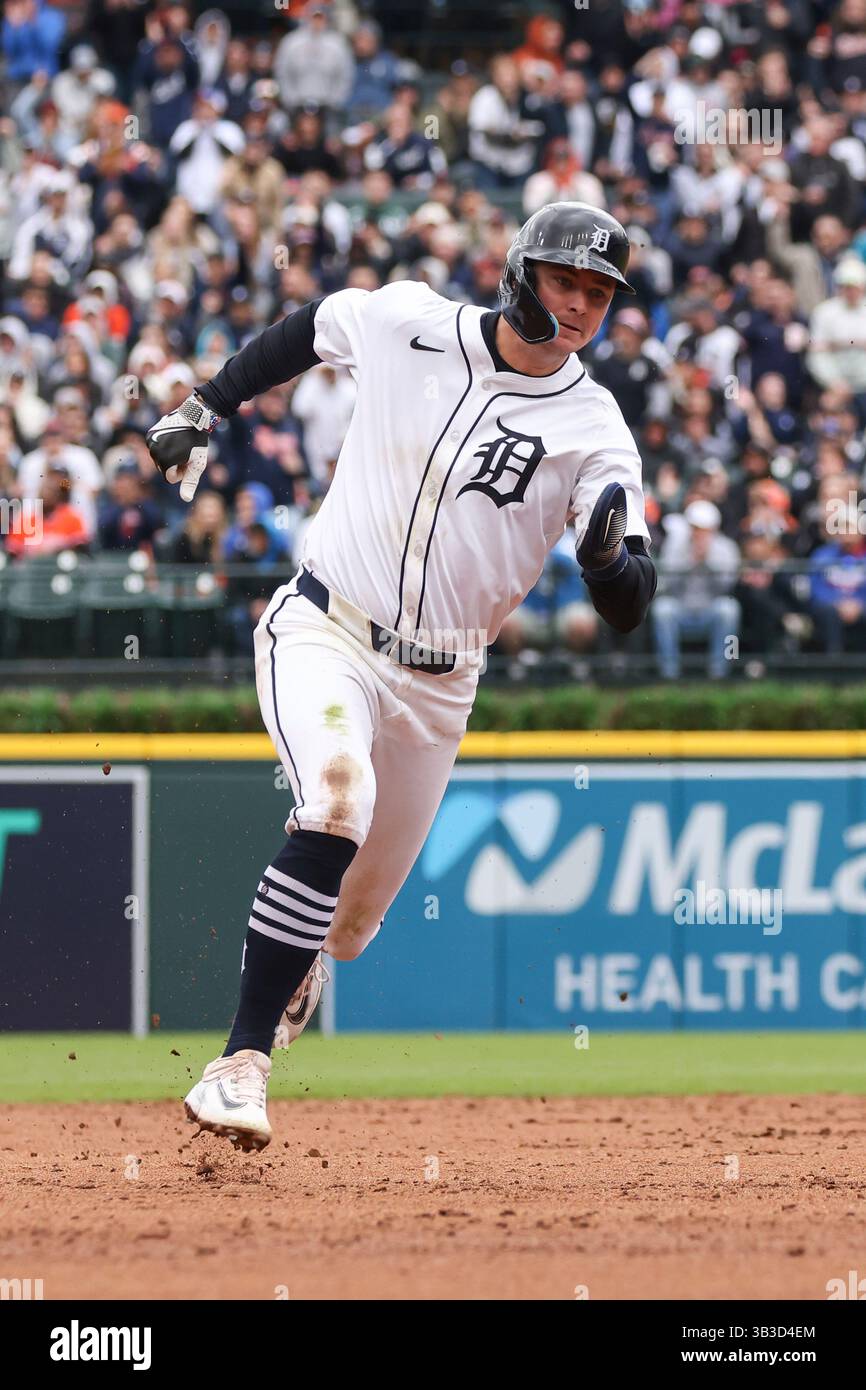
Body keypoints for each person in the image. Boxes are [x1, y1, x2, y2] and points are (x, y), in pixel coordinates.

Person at [146, 201, 657, 1150]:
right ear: (520, 275)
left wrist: (603, 561)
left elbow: (631, 595)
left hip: (440, 685)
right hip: (324, 625)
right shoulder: (408, 322)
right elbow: (306, 330)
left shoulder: (596, 427)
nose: (583, 306)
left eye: (599, 292)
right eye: (566, 282)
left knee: (349, 929)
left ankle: (302, 959)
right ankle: (239, 1065)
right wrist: (203, 407)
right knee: (336, 801)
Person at [652, 499, 741, 680]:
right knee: (662, 610)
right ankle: (669, 674)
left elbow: (728, 585)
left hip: (711, 609)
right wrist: (689, 562)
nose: (699, 533)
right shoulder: (675, 545)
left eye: (704, 528)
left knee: (729, 609)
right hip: (681, 608)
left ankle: (720, 673)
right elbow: (668, 583)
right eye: (695, 527)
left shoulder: (726, 547)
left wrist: (708, 561)